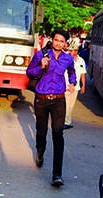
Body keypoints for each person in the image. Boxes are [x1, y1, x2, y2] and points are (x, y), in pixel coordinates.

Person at [26, 30, 76, 187]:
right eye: (56, 40)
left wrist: (72, 83)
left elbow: (72, 71)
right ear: (52, 40)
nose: (59, 43)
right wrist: (40, 67)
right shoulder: (42, 54)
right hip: (41, 99)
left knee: (58, 135)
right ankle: (40, 151)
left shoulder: (68, 58)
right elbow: (29, 72)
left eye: (62, 41)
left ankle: (57, 175)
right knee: (41, 131)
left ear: (65, 44)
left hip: (59, 100)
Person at [63, 39, 87, 129]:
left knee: (71, 105)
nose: (71, 52)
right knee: (65, 104)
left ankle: (67, 122)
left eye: (73, 50)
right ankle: (63, 121)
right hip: (66, 85)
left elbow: (83, 74)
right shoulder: (65, 59)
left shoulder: (81, 61)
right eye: (70, 50)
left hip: (76, 87)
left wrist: (83, 85)